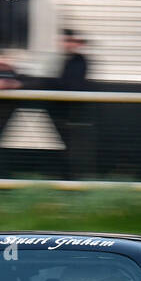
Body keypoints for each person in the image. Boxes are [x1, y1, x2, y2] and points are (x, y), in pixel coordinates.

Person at [53, 30, 94, 179]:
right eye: (66, 41)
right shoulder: (64, 60)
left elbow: (72, 84)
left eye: (70, 41)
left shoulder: (79, 60)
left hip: (74, 111)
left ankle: (72, 177)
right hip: (62, 110)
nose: (67, 44)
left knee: (73, 145)